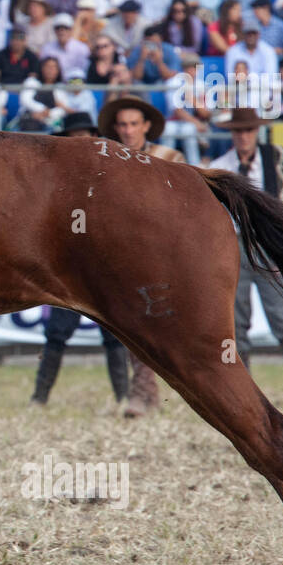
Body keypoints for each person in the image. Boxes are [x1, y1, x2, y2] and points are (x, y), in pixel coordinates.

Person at [208, 106, 283, 403]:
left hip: (268, 244)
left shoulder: (277, 161)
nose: (243, 136)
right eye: (239, 130)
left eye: (248, 130)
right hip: (234, 245)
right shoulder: (220, 167)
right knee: (235, 323)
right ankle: (246, 395)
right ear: (232, 133)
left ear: (256, 132)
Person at [29, 110, 132, 407]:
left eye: (83, 137)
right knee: (58, 333)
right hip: (70, 264)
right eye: (74, 138)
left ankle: (123, 397)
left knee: (114, 334)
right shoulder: (58, 182)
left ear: (94, 139)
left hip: (100, 262)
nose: (79, 143)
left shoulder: (109, 177)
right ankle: (40, 397)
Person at [97, 96, 183, 416]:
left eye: (134, 124)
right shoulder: (106, 162)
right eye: (122, 124)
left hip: (164, 249)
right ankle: (143, 391)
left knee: (163, 324)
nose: (128, 130)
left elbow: (183, 207)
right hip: (123, 251)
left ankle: (152, 391)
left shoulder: (170, 158)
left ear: (146, 126)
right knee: (133, 321)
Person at [41, 13, 90, 78]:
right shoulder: (47, 48)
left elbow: (85, 70)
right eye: (58, 28)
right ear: (54, 30)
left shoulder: (82, 48)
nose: (62, 31)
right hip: (55, 84)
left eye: (65, 28)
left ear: (71, 30)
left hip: (76, 84)